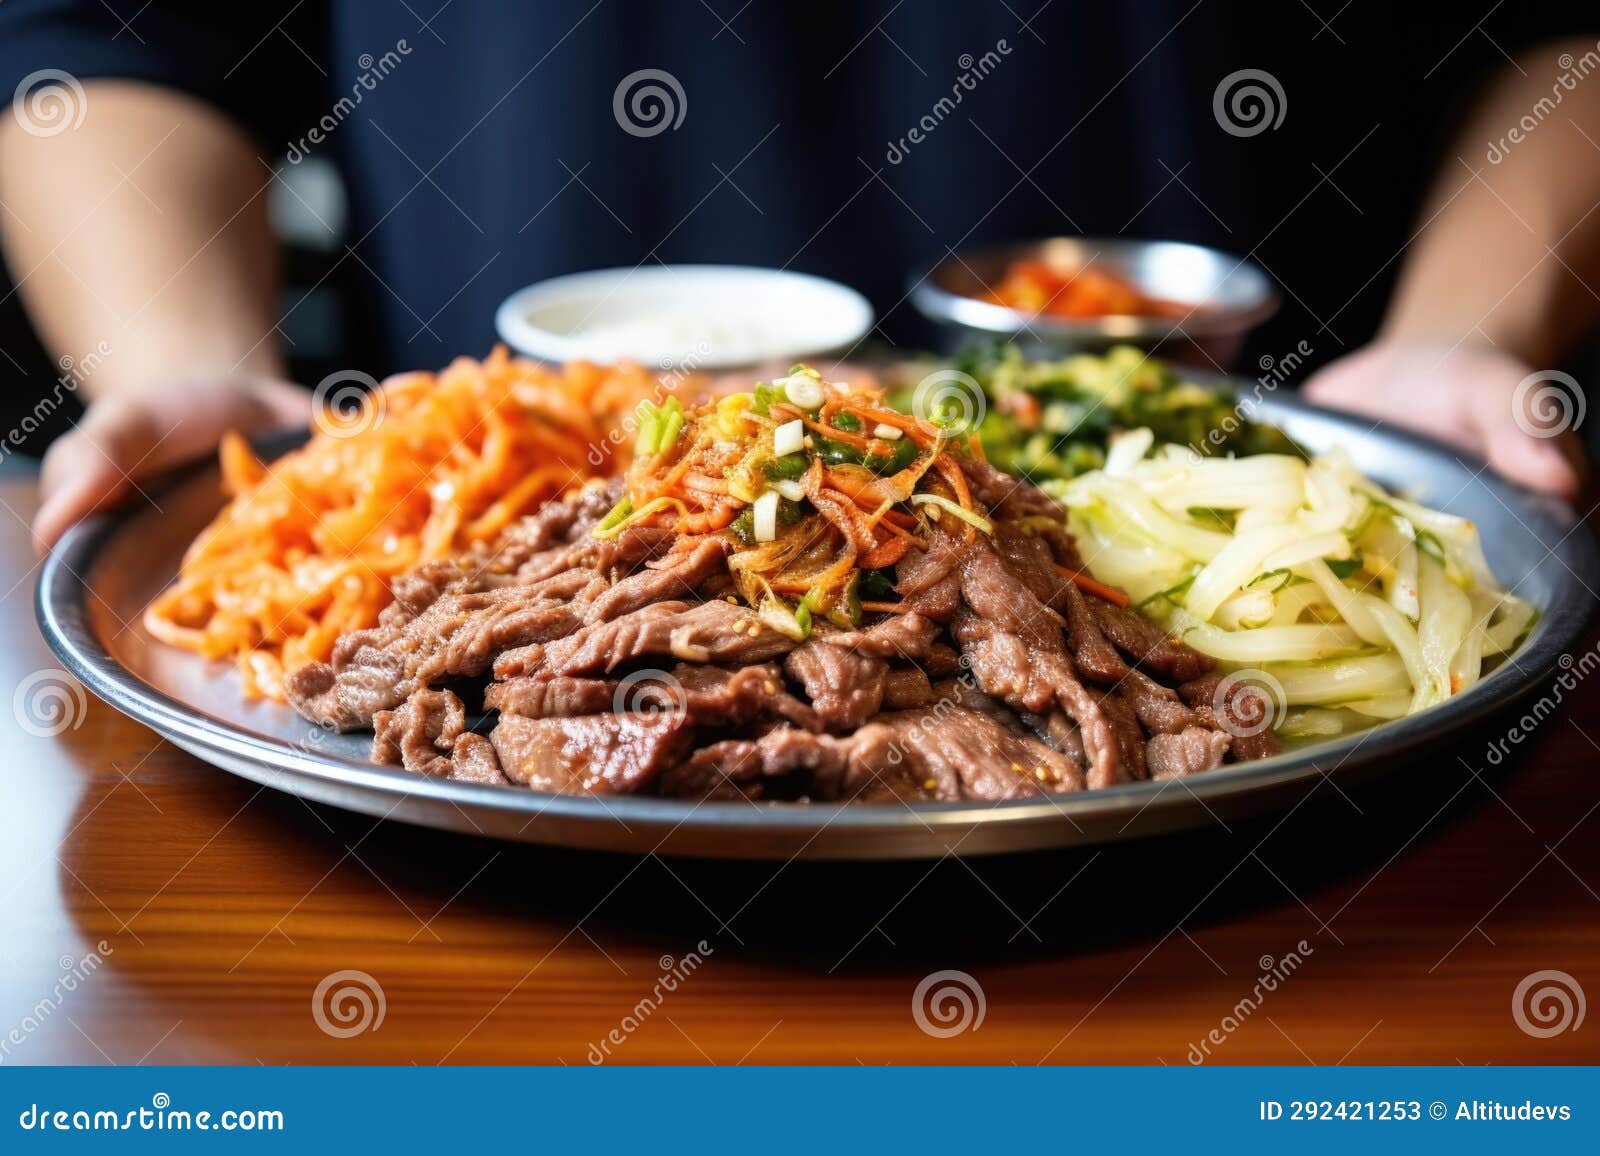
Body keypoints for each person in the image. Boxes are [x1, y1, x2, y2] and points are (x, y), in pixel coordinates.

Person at [0, 2, 1593, 554]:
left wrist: (1467, 329)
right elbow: (112, 35)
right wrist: (168, 354)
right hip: (481, 511)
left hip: (1284, 427)